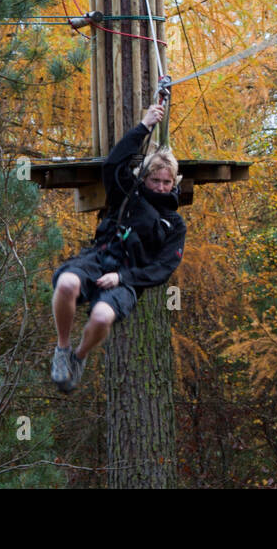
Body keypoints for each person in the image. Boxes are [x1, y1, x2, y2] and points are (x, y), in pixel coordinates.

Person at [50, 102, 186, 393]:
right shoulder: (127, 194)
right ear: (145, 178)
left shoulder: (174, 224)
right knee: (66, 284)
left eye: (167, 182)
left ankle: (79, 358)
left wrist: (123, 279)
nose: (161, 186)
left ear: (174, 182)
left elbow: (163, 268)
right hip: (99, 258)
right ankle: (62, 350)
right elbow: (113, 163)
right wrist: (145, 125)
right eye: (155, 180)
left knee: (101, 316)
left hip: (127, 279)